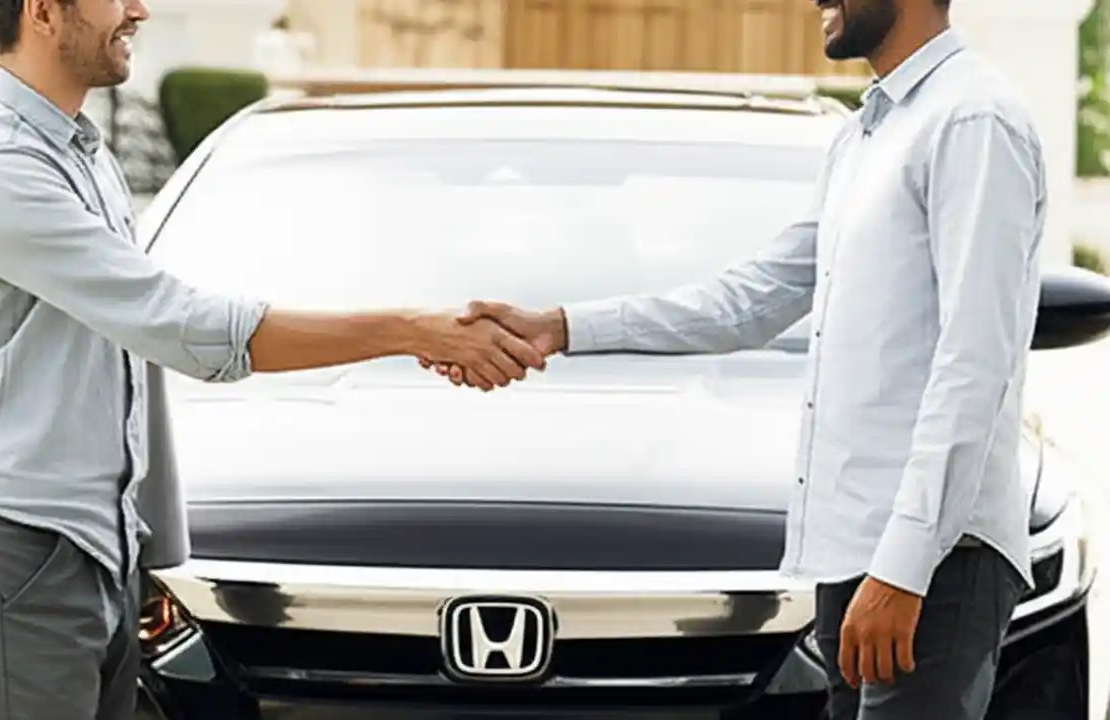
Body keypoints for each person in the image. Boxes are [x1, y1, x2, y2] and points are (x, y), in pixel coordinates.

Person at [0, 1, 546, 718]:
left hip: (93, 546)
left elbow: (127, 360)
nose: (137, 9)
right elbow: (184, 327)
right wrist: (412, 330)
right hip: (19, 544)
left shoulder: (79, 154)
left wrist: (144, 549)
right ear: (44, 12)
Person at [427, 0, 1045, 717]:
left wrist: (905, 570)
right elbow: (747, 301)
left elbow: (974, 363)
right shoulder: (866, 137)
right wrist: (560, 327)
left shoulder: (973, 120)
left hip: (938, 558)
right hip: (859, 557)